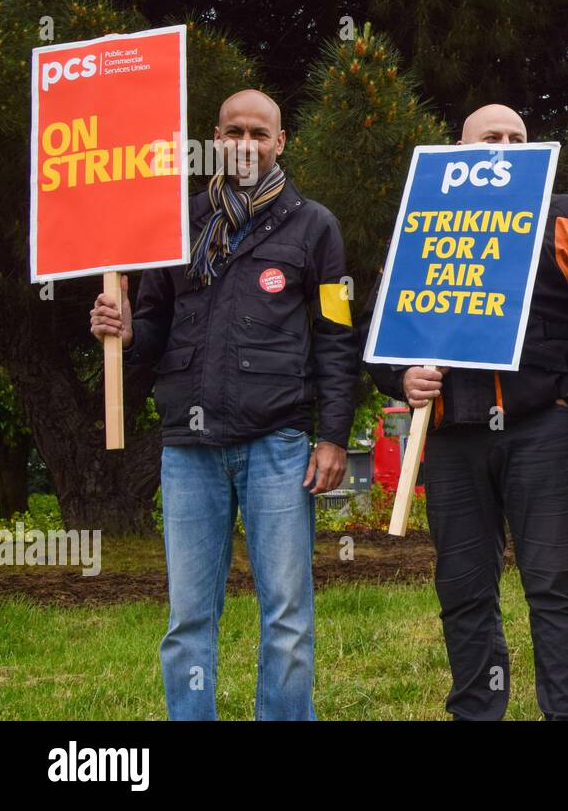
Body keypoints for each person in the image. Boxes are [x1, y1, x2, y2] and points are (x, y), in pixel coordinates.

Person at [89, 89, 358, 720]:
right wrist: (127, 332)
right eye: (233, 131)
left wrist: (334, 436)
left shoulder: (315, 226)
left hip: (279, 443)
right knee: (189, 617)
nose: (245, 143)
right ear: (215, 137)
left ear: (280, 142)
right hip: (189, 448)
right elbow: (153, 326)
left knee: (287, 616)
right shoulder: (176, 224)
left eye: (259, 133)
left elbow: (337, 338)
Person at [364, 104, 568, 721]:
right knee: (463, 591)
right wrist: (401, 376)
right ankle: (477, 711)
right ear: (458, 149)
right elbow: (376, 329)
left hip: (541, 431)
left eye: (517, 139)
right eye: (490, 138)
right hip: (453, 440)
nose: (504, 147)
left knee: (555, 588)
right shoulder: (420, 221)